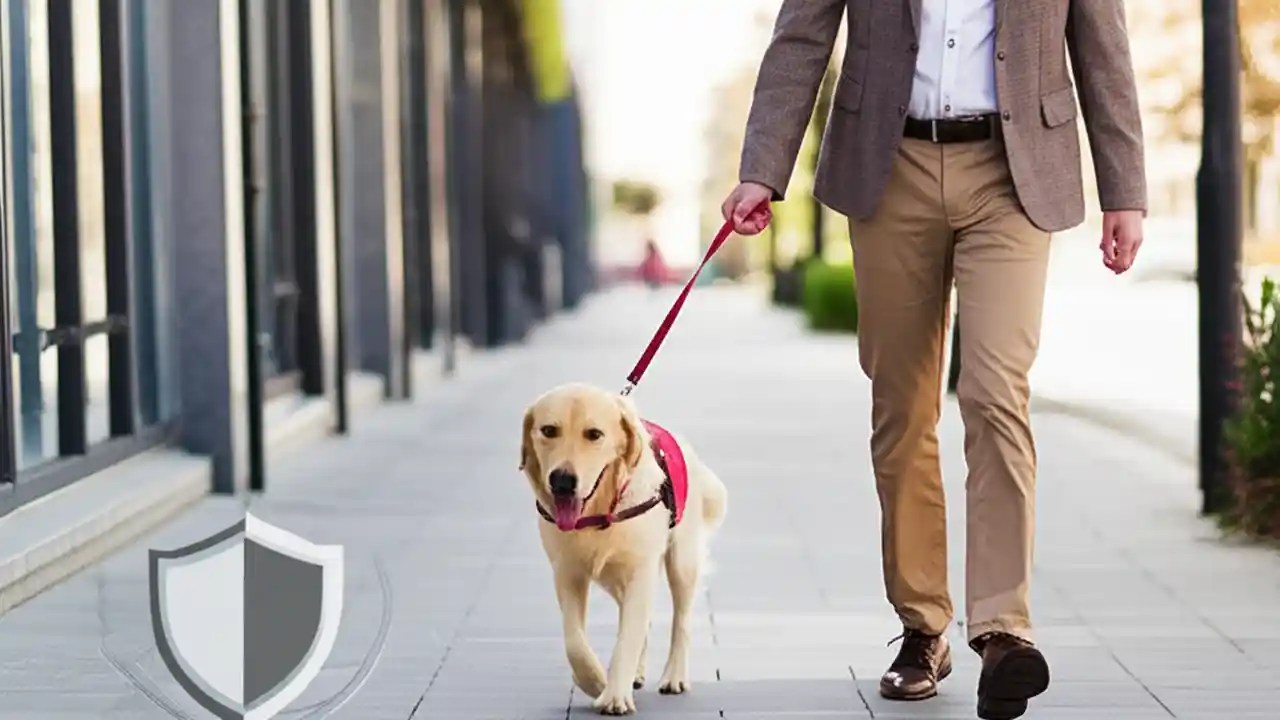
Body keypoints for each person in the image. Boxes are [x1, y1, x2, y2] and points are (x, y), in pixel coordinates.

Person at [722, 2, 1145, 719]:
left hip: (1015, 172)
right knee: (902, 407)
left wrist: (1124, 190)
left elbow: (1104, 49)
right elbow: (801, 36)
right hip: (889, 166)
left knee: (995, 392)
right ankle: (923, 627)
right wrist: (763, 169)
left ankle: (1003, 628)